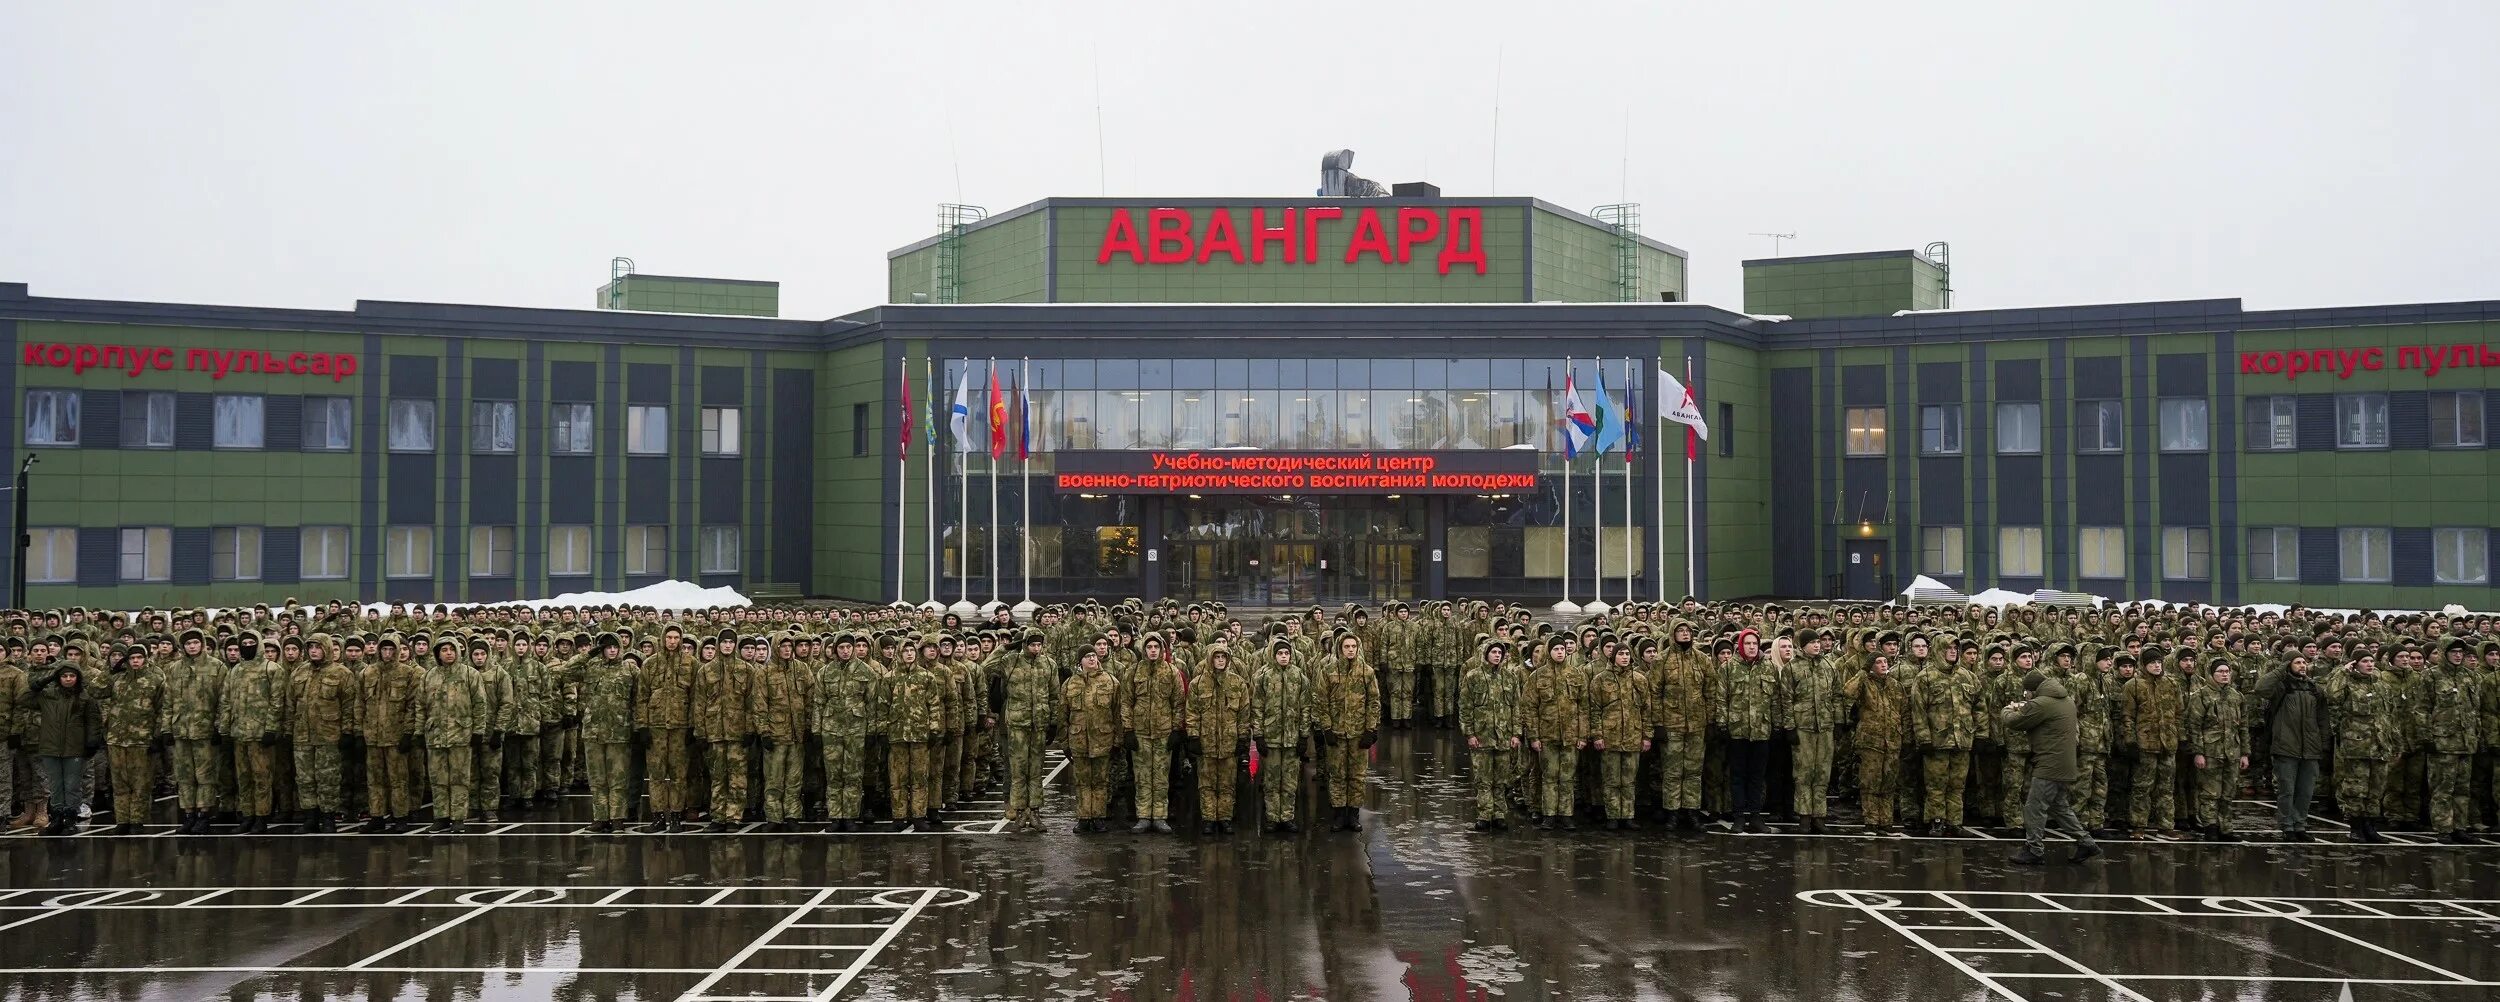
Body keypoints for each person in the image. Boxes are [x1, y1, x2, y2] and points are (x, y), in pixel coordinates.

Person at [2000, 671, 2101, 865]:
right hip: (2065, 763)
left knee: (2034, 807)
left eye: (2025, 694)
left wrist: (2007, 708)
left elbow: (2014, 721)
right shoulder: (2065, 700)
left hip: (2050, 764)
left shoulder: (2042, 703)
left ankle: (2034, 849)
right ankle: (2086, 842)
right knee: (2059, 806)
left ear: (2031, 691)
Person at [24, 662, 104, 836]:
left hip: (75, 749)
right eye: (64, 676)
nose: (68, 679)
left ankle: (70, 819)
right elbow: (25, 698)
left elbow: (94, 721)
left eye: (72, 676)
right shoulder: (48, 695)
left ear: (78, 678)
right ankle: (57, 818)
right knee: (55, 785)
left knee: (72, 785)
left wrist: (92, 742)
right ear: (58, 678)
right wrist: (45, 680)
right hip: (50, 748)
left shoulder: (85, 697)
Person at [2184, 661, 2249, 841]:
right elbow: (2193, 726)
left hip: (2232, 752)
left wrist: (2244, 753)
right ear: (2212, 674)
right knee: (2210, 793)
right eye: (2220, 671)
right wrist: (2198, 752)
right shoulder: (2201, 696)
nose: (2225, 674)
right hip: (2210, 751)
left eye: (2227, 671)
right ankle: (2210, 827)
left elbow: (2243, 726)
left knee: (2228, 792)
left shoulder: (2237, 696)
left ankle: (2225, 828)